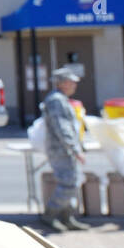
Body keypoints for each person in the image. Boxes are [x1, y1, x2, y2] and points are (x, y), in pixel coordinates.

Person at [40, 65, 91, 231]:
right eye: (71, 82)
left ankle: (67, 217)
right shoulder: (56, 101)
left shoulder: (59, 99)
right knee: (68, 183)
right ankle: (50, 215)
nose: (74, 85)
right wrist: (75, 149)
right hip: (60, 149)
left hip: (63, 148)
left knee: (72, 182)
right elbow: (62, 127)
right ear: (62, 83)